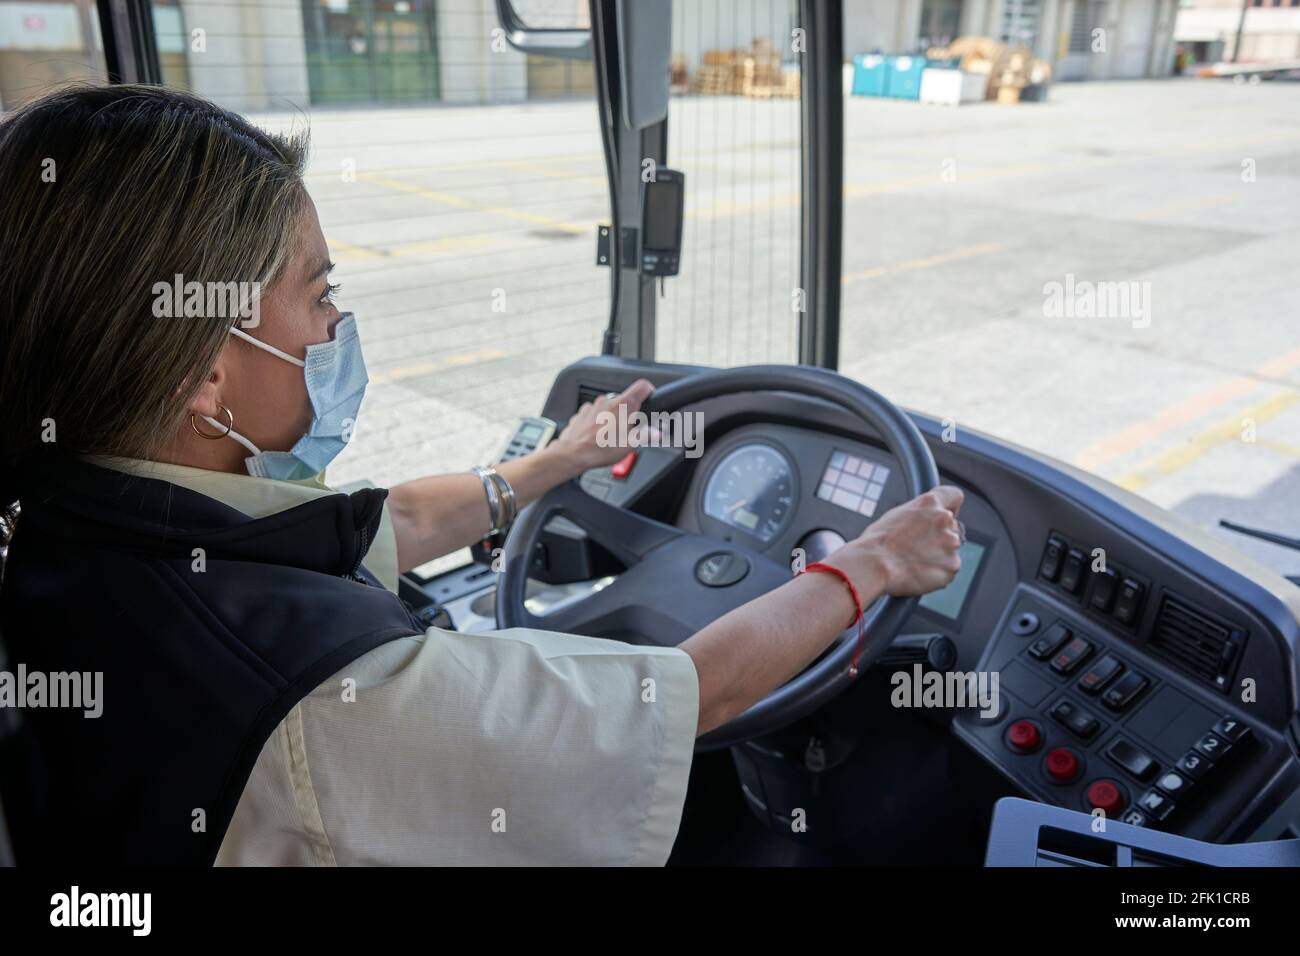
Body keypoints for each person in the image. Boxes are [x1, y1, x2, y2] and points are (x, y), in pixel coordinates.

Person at [0, 85, 964, 865]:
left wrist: (557, 463)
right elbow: (692, 694)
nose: (339, 326)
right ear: (206, 375)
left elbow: (381, 527)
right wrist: (874, 563)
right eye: (321, 293)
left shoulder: (84, 521)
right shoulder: (335, 703)